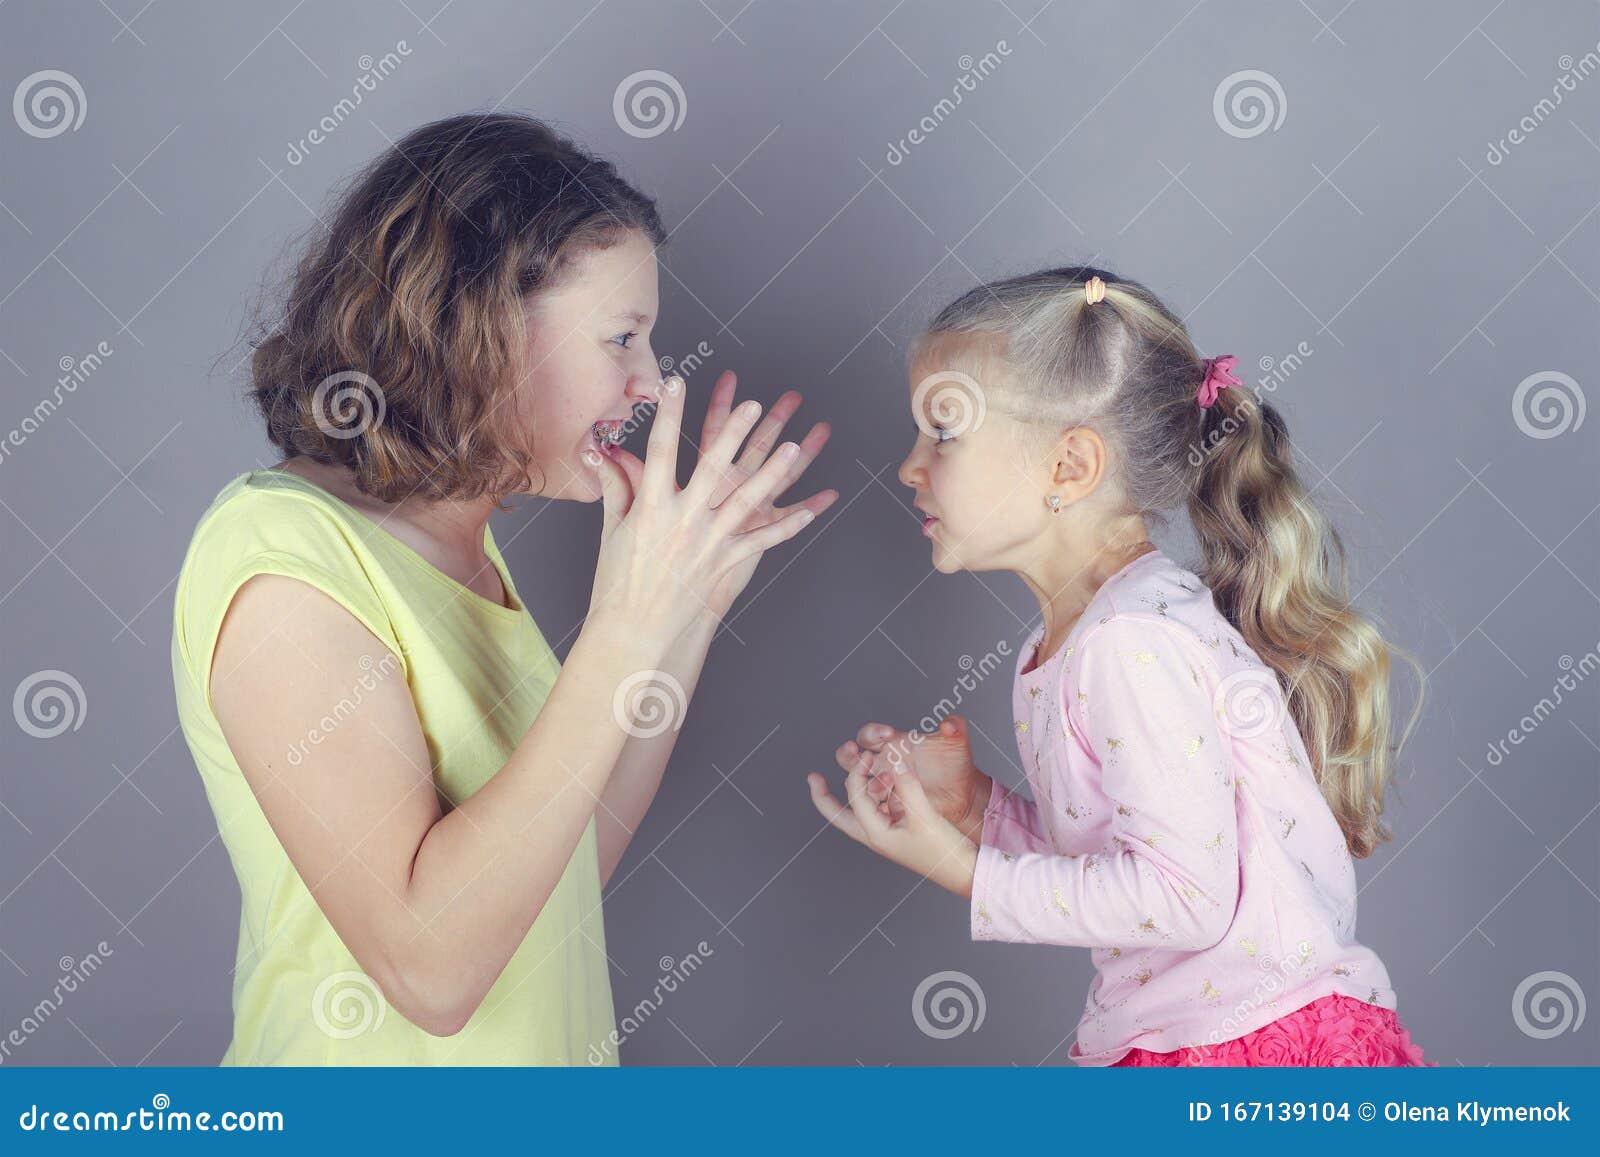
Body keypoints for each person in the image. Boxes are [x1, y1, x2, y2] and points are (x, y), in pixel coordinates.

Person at [171, 112, 836, 1064]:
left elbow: (561, 870)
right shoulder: (284, 554)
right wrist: (624, 622)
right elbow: (432, 972)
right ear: (471, 328)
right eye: (621, 337)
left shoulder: (466, 555)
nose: (649, 382)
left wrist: (683, 617)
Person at [808, 267, 1432, 1066]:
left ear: (1069, 467)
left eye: (944, 432)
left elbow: (1181, 900)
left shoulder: (1128, 642)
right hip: (1209, 1036)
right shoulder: (1094, 632)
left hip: (1252, 1055)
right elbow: (1132, 866)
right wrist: (978, 813)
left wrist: (969, 871)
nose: (909, 466)